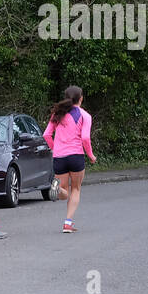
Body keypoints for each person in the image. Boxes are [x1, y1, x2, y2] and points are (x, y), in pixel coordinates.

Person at [43, 85, 96, 233]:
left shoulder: (57, 114)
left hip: (59, 157)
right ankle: (68, 223)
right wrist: (91, 155)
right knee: (76, 189)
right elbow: (85, 138)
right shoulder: (85, 116)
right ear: (81, 99)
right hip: (76, 156)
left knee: (63, 193)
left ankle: (57, 188)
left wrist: (55, 149)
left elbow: (46, 135)